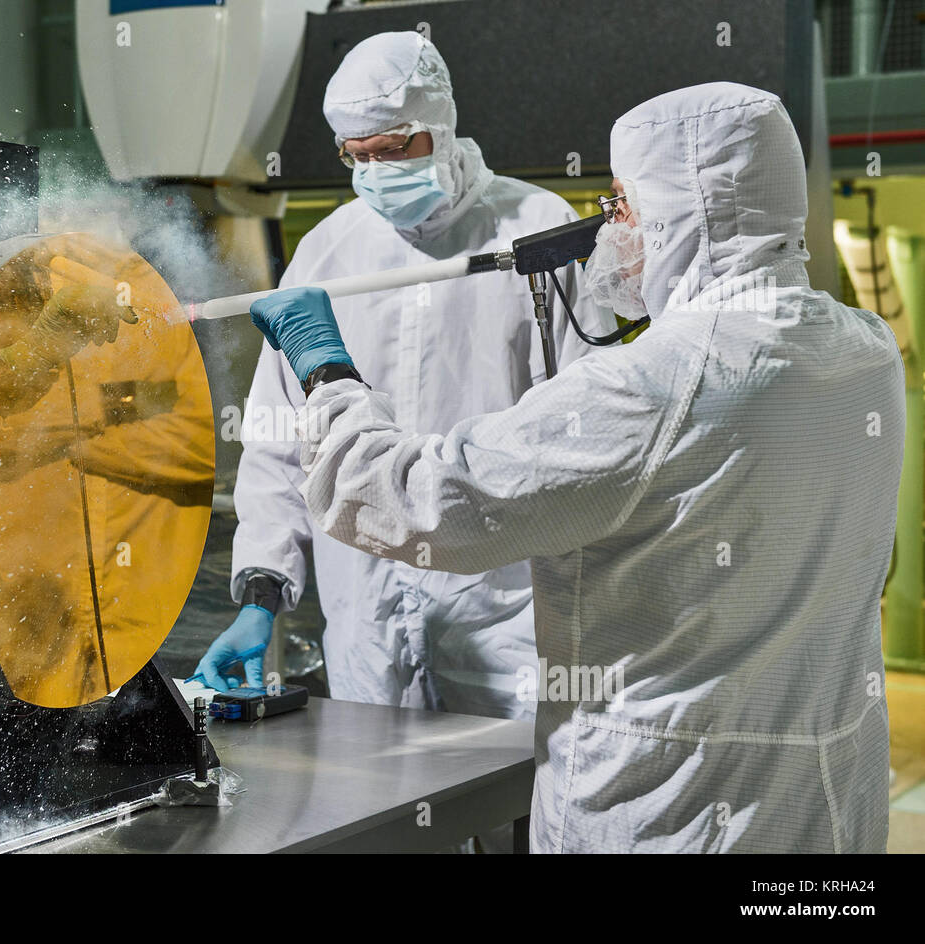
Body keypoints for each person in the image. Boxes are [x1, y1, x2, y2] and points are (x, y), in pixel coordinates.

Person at [246, 81, 903, 853]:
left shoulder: (649, 386)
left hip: (672, 811)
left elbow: (415, 502)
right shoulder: (864, 351)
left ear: (680, 208)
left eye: (622, 203)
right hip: (823, 806)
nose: (609, 226)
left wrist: (325, 372)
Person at [195, 31, 614, 720]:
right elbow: (281, 442)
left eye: (393, 149)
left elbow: (583, 435)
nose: (376, 170)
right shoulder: (328, 253)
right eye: (358, 157)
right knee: (386, 806)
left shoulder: (536, 232)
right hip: (365, 614)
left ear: (439, 128)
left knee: (516, 803)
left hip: (503, 613)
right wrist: (262, 596)